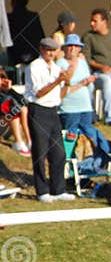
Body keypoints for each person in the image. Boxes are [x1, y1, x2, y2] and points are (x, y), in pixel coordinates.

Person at [23, 38, 75, 202]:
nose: (51, 53)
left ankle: (58, 189)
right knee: (40, 152)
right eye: (47, 50)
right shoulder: (34, 67)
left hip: (53, 110)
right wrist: (58, 81)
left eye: (53, 50)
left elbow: (59, 94)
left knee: (59, 152)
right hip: (39, 110)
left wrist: (66, 82)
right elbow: (39, 93)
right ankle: (42, 190)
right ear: (41, 49)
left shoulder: (56, 67)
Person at [56, 34, 111, 164]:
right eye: (70, 46)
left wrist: (88, 82)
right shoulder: (61, 64)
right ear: (65, 48)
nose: (73, 49)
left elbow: (88, 84)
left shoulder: (82, 62)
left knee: (87, 138)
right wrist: (81, 83)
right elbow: (62, 90)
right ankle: (69, 169)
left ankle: (87, 167)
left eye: (76, 46)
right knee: (71, 139)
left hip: (85, 107)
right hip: (69, 109)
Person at [7, 0, 45, 65]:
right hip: (33, 54)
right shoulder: (33, 16)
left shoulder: (11, 17)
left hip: (17, 56)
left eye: (12, 1)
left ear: (15, 2)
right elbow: (41, 36)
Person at [0, 67, 31, 156]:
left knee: (24, 109)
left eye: (3, 78)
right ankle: (19, 142)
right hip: (3, 122)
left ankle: (29, 141)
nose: (2, 81)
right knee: (12, 112)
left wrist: (10, 90)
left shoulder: (6, 91)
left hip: (5, 121)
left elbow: (23, 101)